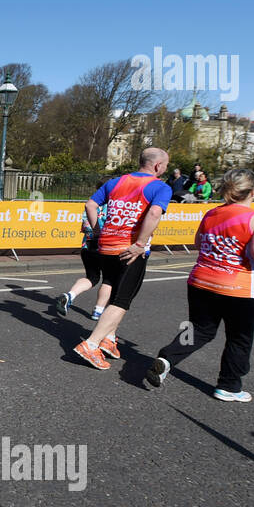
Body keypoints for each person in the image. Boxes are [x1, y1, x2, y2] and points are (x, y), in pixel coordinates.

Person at [145, 169, 254, 402]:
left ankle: (168, 357)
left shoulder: (211, 213)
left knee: (200, 330)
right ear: (252, 192)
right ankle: (229, 386)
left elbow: (197, 242)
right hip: (239, 288)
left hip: (201, 281)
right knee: (239, 338)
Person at [72, 147, 173, 370]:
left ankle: (109, 338)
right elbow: (154, 214)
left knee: (116, 293)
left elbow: (90, 204)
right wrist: (139, 243)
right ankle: (91, 343)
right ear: (158, 166)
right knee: (121, 300)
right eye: (165, 166)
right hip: (129, 249)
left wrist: (98, 231)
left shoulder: (116, 182)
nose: (164, 169)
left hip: (106, 245)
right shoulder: (160, 187)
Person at [54, 200, 113, 321]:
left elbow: (85, 226)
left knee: (91, 277)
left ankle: (70, 295)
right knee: (109, 279)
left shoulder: (91, 205)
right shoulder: (114, 206)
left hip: (87, 246)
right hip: (106, 247)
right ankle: (98, 310)